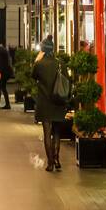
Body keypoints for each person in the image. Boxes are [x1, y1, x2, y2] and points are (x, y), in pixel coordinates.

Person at [33, 36, 67, 171]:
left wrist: (38, 59)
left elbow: (33, 76)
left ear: (42, 50)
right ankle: (57, 158)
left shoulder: (39, 64)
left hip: (45, 102)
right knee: (57, 131)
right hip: (58, 101)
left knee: (47, 132)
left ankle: (50, 163)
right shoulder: (60, 64)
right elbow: (67, 79)